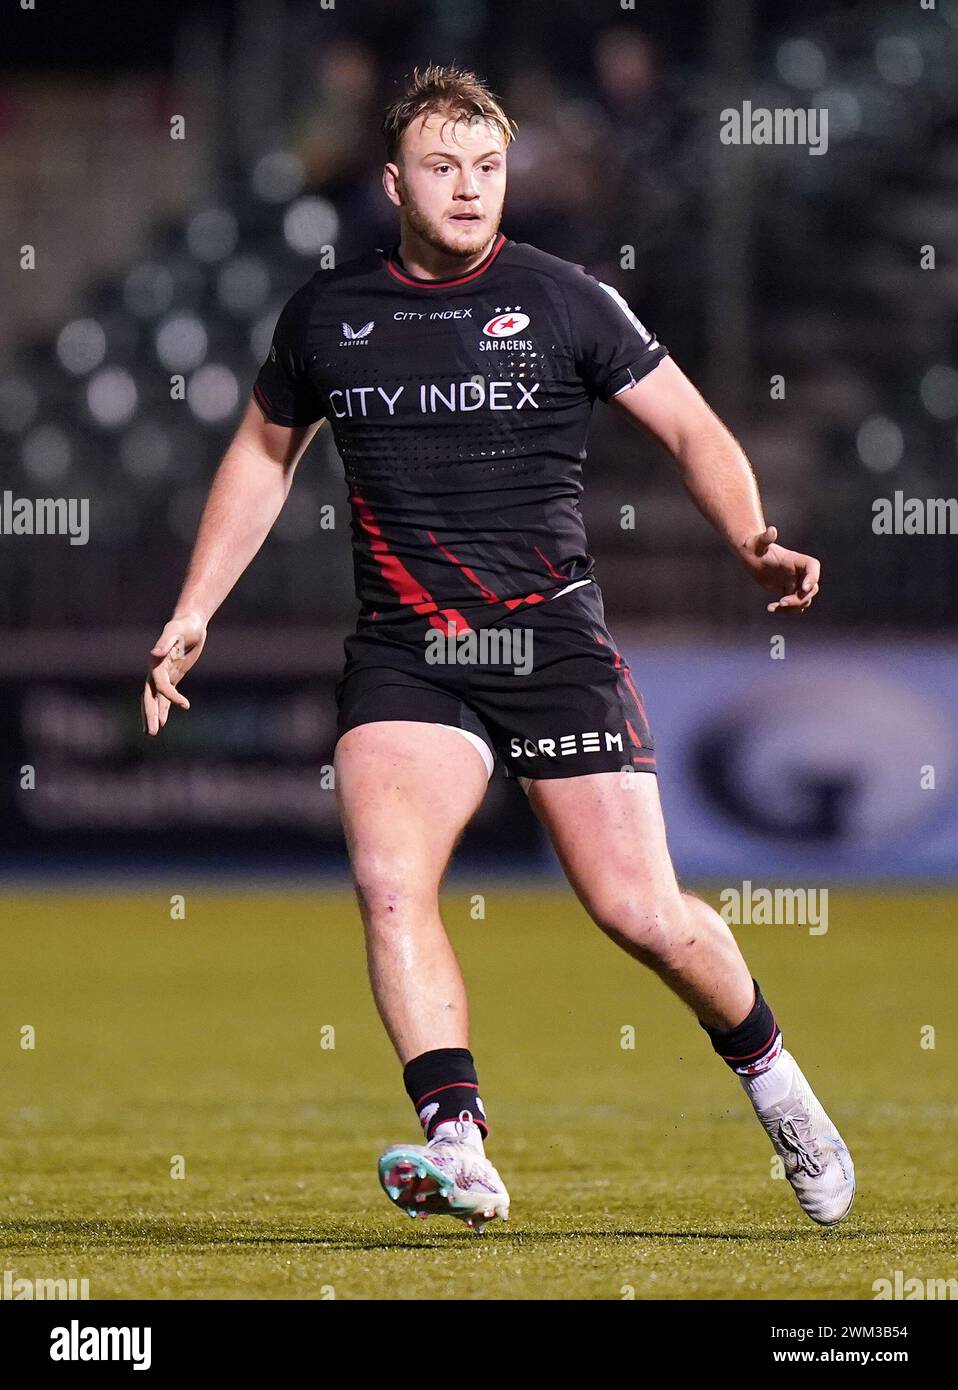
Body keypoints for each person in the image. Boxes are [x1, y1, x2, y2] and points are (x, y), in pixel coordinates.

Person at [143, 64, 854, 1234]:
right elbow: (263, 457)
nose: (470, 189)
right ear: (393, 182)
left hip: (551, 644)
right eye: (442, 166)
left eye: (487, 167)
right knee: (387, 882)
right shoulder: (327, 316)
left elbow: (689, 423)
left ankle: (777, 1084)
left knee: (642, 914)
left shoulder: (566, 298)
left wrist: (752, 540)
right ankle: (459, 1145)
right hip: (406, 652)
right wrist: (195, 606)